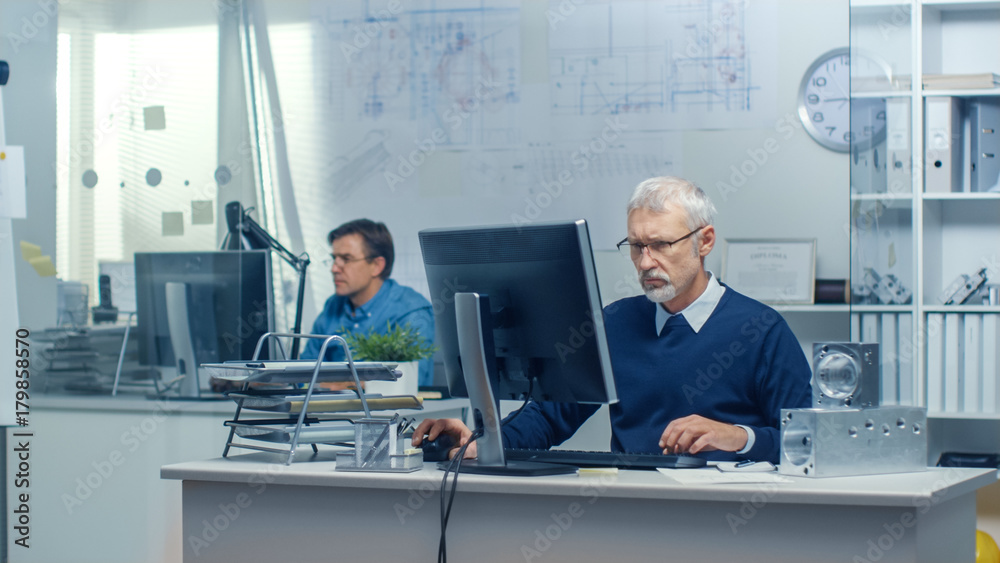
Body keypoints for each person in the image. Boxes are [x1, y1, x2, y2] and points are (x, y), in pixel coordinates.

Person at [413, 176, 811, 463]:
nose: (645, 262)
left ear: (704, 241)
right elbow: (552, 414)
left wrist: (740, 437)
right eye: (636, 246)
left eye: (660, 245)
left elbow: (808, 443)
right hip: (626, 507)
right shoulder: (616, 322)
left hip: (724, 514)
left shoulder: (762, 330)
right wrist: (483, 440)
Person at [300, 219, 435, 387]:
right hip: (329, 404)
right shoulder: (333, 305)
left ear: (377, 265)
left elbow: (412, 381)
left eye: (346, 259)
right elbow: (305, 371)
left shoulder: (411, 311)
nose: (334, 268)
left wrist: (342, 385)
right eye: (334, 258)